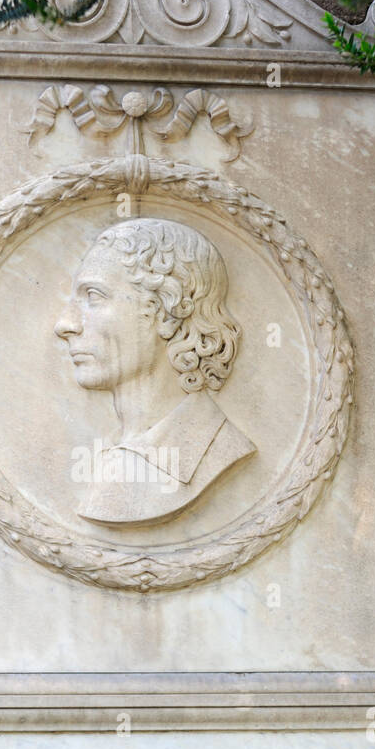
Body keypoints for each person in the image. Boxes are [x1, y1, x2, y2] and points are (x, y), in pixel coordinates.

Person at [55, 217, 255, 525]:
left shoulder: (213, 451)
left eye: (93, 296)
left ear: (166, 312)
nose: (65, 325)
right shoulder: (113, 450)